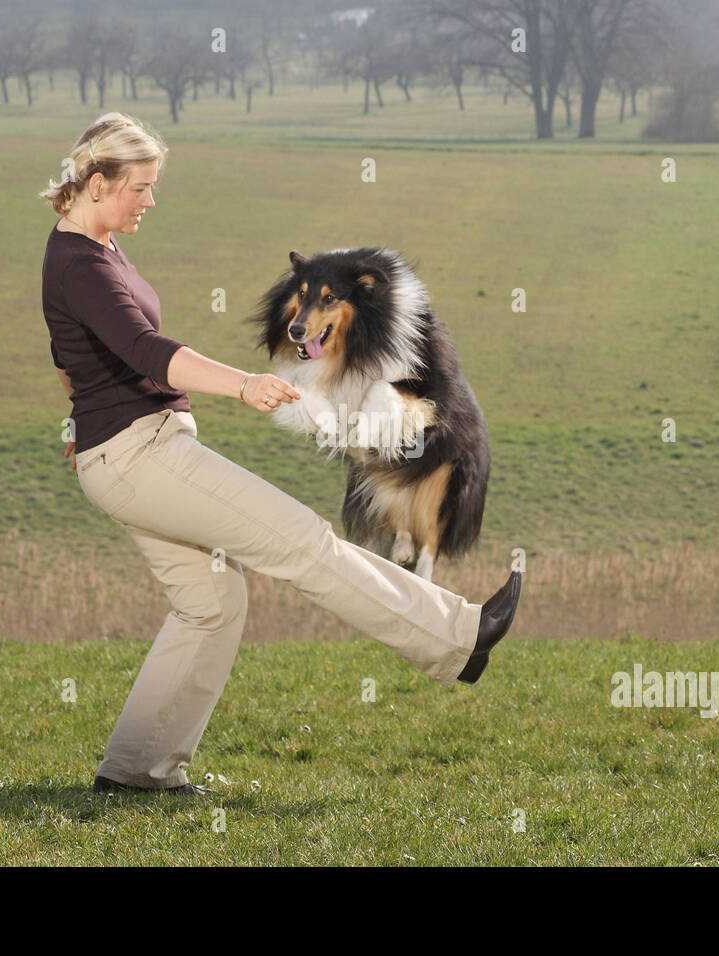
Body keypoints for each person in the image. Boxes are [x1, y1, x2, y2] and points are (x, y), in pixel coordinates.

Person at [39, 112, 522, 796]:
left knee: (213, 600)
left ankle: (136, 772)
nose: (151, 200)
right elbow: (147, 352)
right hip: (139, 455)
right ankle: (459, 639)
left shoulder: (95, 247)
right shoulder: (81, 263)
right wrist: (244, 386)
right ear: (97, 183)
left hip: (129, 451)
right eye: (141, 188)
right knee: (302, 542)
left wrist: (75, 427)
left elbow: (71, 355)